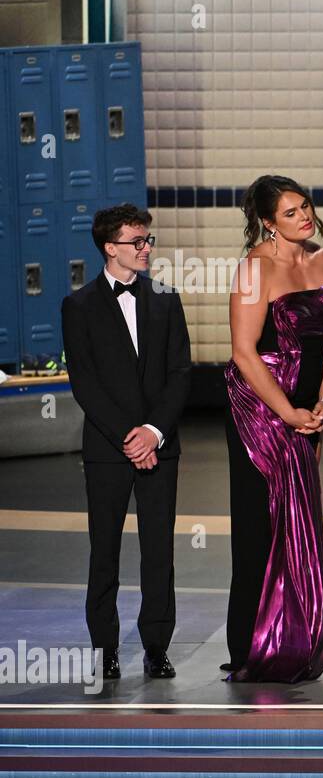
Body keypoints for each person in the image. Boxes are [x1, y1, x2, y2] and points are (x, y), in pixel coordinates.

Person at [224, 175, 323, 682]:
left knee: (300, 525)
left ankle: (295, 640)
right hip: (260, 409)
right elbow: (243, 353)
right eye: (289, 212)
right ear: (266, 222)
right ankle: (248, 649)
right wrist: (286, 412)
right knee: (261, 529)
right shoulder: (255, 269)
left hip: (307, 409)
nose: (304, 217)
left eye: (305, 207)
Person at [62, 203, 192, 680]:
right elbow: (85, 384)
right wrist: (127, 438)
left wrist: (153, 432)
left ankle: (157, 647)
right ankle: (105, 650)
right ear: (109, 247)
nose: (146, 249)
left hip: (160, 445)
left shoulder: (166, 298)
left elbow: (180, 373)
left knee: (159, 551)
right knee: (105, 551)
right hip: (108, 449)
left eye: (148, 240)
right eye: (137, 242)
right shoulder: (78, 306)